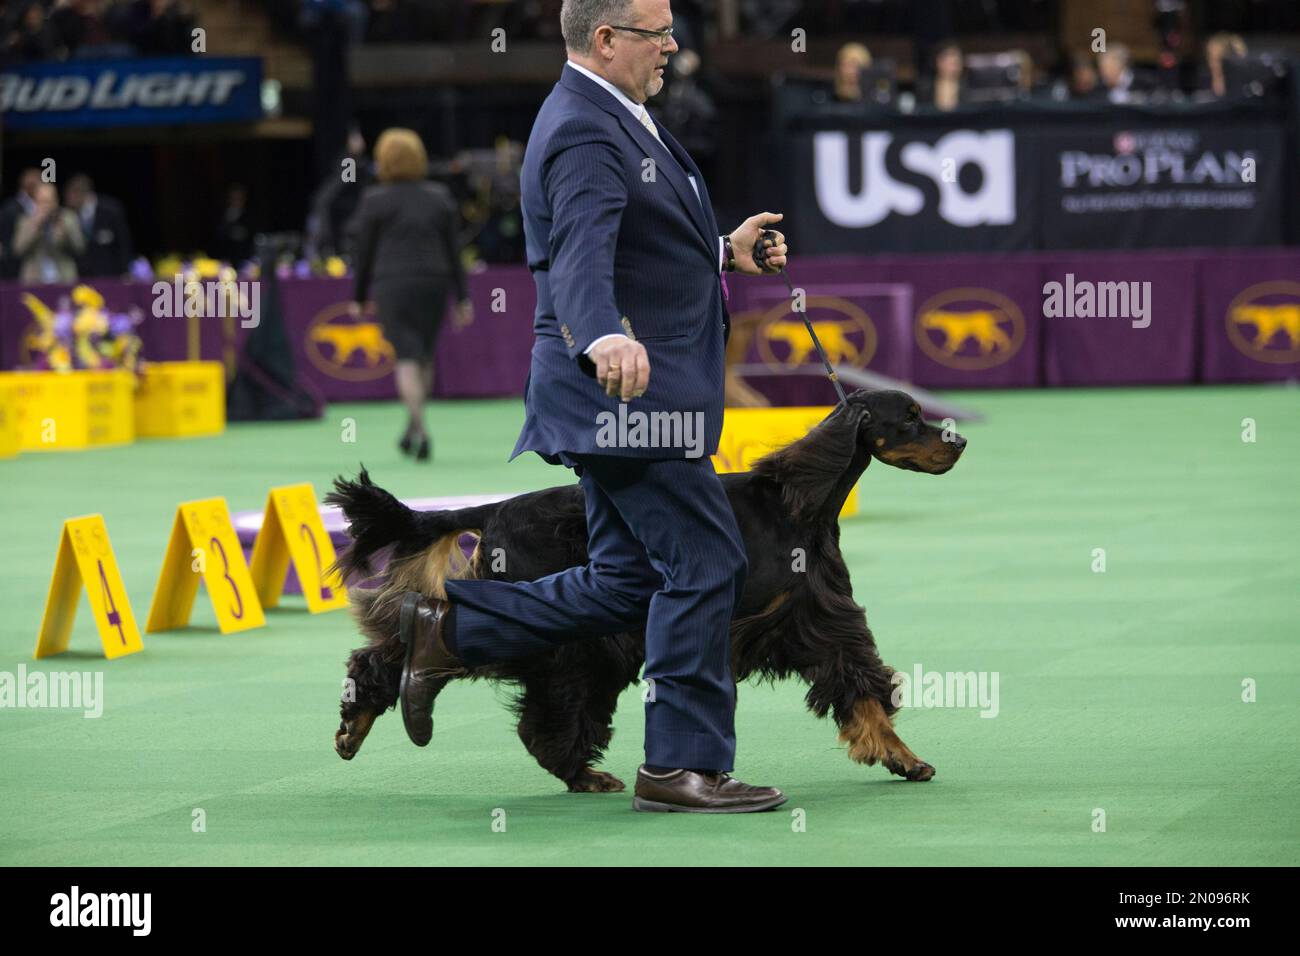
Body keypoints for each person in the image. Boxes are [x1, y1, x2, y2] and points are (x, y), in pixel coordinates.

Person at [392, 0, 793, 813]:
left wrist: (721, 249)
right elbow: (578, 254)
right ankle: (681, 766)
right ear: (606, 40)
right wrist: (601, 333)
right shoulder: (583, 126)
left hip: (629, 398)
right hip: (623, 398)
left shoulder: (614, 113)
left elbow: (635, 233)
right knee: (709, 560)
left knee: (627, 577)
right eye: (658, 34)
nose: (674, 47)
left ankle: (447, 629)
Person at [348, 128, 471, 461]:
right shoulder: (439, 196)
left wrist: (358, 297)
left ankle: (420, 426)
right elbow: (454, 250)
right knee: (424, 355)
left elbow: (364, 255)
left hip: (394, 282)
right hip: (435, 280)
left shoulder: (374, 200)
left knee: (405, 355)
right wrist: (463, 298)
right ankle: (413, 426)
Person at [12, 182, 84, 283]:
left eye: (49, 201)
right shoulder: (25, 221)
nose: (46, 206)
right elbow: (18, 251)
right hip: (34, 280)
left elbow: (79, 248)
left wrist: (65, 234)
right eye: (42, 202)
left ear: (56, 201)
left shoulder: (68, 218)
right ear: (35, 202)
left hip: (64, 278)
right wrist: (35, 227)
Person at [64, 174, 133, 277]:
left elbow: (123, 242)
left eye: (70, 196)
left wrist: (125, 271)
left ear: (81, 193)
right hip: (85, 278)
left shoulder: (111, 210)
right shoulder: (69, 215)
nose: (67, 200)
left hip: (111, 275)